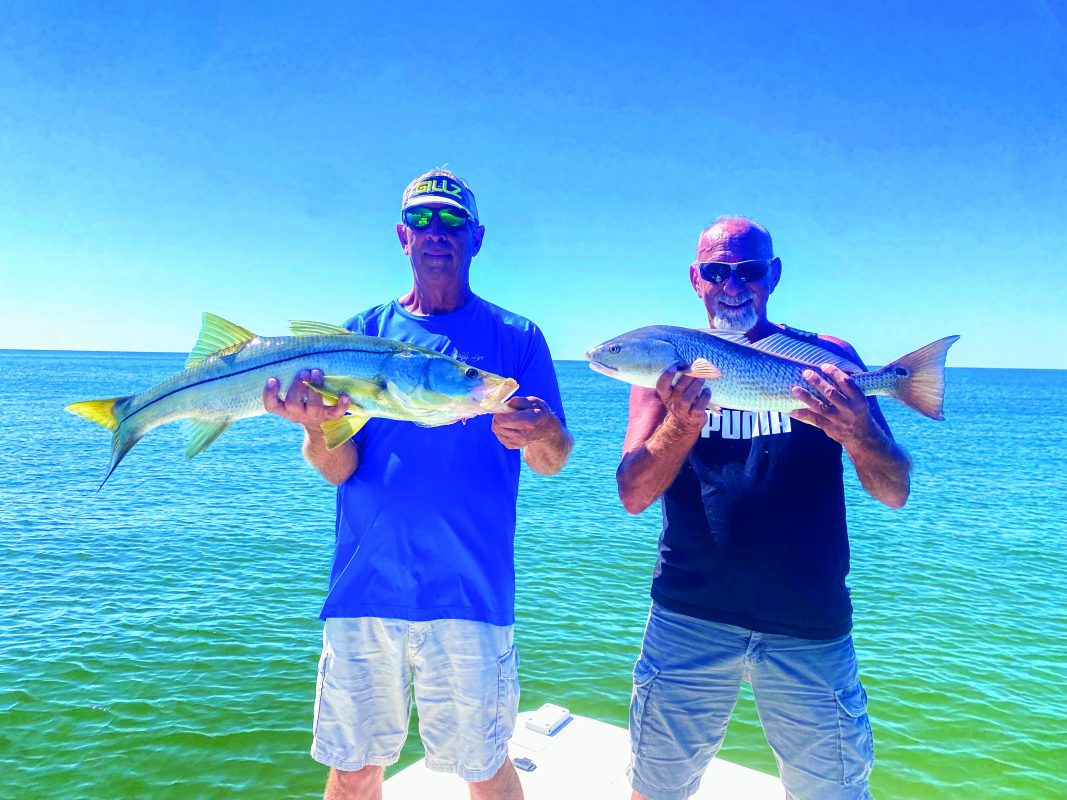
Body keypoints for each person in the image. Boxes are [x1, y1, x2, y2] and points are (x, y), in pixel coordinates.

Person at [263, 169, 573, 800]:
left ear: (477, 237)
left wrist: (539, 431)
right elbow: (339, 468)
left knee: (483, 766)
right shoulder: (359, 336)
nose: (438, 233)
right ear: (402, 236)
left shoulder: (518, 339)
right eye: (424, 221)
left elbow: (552, 459)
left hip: (470, 591)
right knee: (352, 772)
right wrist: (316, 429)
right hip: (365, 587)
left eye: (453, 221)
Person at [616, 216, 910, 800]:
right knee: (656, 790)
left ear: (772, 276)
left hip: (809, 622)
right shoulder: (664, 369)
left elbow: (893, 489)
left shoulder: (826, 359)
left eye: (748, 271)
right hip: (688, 613)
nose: (733, 285)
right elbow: (633, 494)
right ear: (696, 279)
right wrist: (679, 422)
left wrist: (858, 431)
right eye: (718, 272)